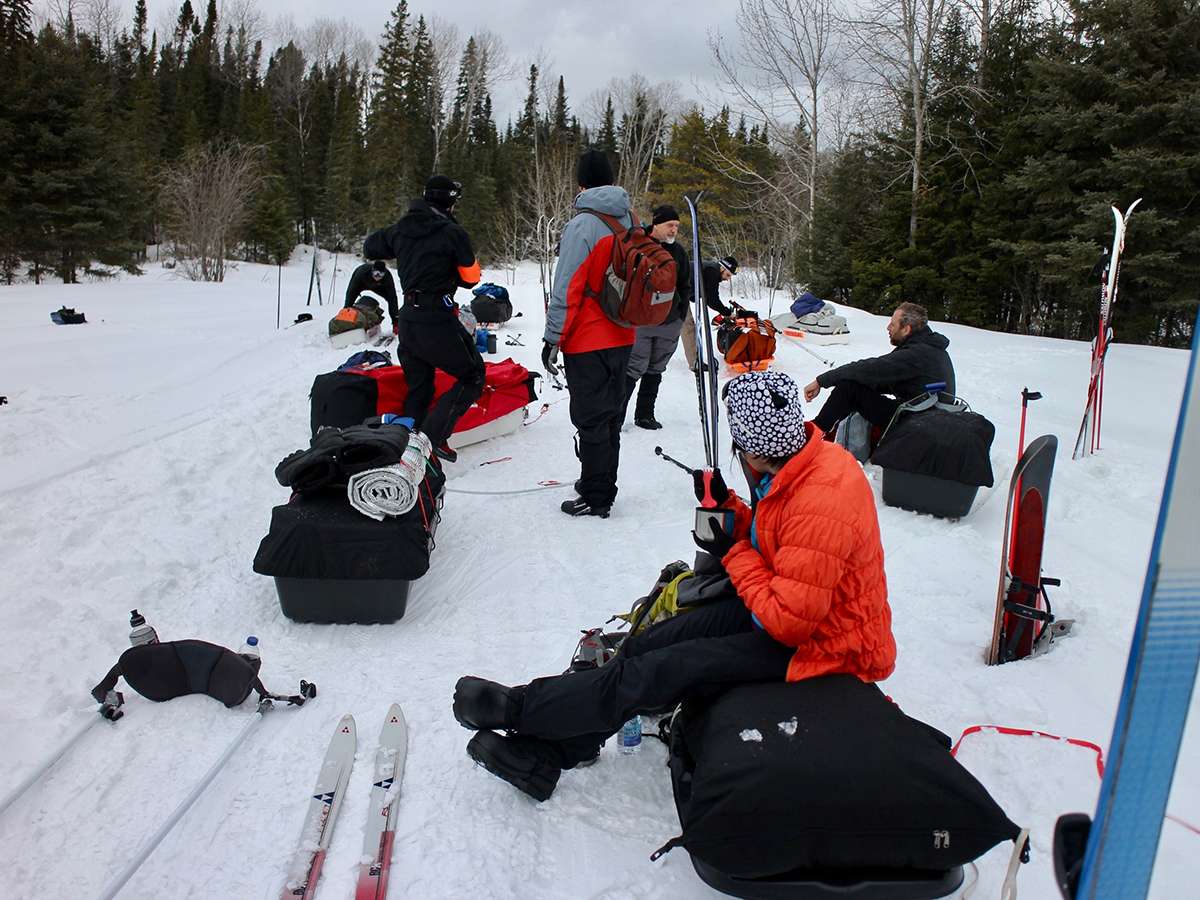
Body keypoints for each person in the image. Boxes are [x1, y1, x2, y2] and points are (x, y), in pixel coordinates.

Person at [451, 370, 896, 801]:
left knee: (665, 669)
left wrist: (732, 552)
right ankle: (554, 753)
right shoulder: (796, 460)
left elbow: (789, 625)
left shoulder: (823, 497)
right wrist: (727, 505)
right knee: (649, 644)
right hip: (786, 606)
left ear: (755, 448)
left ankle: (521, 709)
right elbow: (779, 543)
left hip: (825, 644)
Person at [541, 149, 636, 518]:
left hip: (587, 340)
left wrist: (552, 338)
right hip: (624, 335)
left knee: (592, 419)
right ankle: (600, 483)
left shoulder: (582, 225)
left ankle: (597, 496)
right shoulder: (629, 218)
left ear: (581, 184)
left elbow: (568, 288)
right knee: (610, 417)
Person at [363, 174, 484, 463]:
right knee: (473, 376)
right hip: (436, 318)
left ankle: (405, 442)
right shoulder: (452, 233)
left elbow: (370, 247)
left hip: (408, 320)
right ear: (450, 203)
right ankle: (432, 437)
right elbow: (471, 279)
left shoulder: (401, 229)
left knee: (420, 384)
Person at [805, 301, 955, 436]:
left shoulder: (916, 354)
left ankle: (814, 434)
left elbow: (869, 368)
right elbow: (884, 379)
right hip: (924, 417)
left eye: (893, 324)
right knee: (856, 383)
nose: (888, 328)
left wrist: (821, 381)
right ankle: (833, 434)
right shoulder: (929, 348)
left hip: (916, 424)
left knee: (849, 388)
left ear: (906, 329)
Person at [622, 205, 691, 429]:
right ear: (656, 224)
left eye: (677, 226)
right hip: (641, 321)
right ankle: (616, 416)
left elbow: (685, 285)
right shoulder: (639, 246)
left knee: (655, 369)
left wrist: (680, 316)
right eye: (670, 225)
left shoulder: (679, 252)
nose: (674, 230)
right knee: (634, 367)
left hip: (670, 322)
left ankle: (644, 415)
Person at [681, 256, 738, 372]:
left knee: (667, 323)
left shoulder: (710, 268)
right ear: (722, 268)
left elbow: (706, 294)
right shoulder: (712, 271)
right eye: (728, 275)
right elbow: (712, 300)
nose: (728, 279)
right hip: (674, 289)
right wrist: (727, 313)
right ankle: (695, 363)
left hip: (674, 288)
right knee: (688, 326)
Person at [344, 260, 399, 334]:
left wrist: (395, 322)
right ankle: (345, 322)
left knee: (391, 299)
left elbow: (393, 298)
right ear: (372, 270)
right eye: (376, 273)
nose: (377, 276)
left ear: (384, 274)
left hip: (378, 287)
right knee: (349, 302)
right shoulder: (361, 273)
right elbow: (350, 293)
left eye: (381, 274)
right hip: (361, 283)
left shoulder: (387, 277)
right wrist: (346, 309)